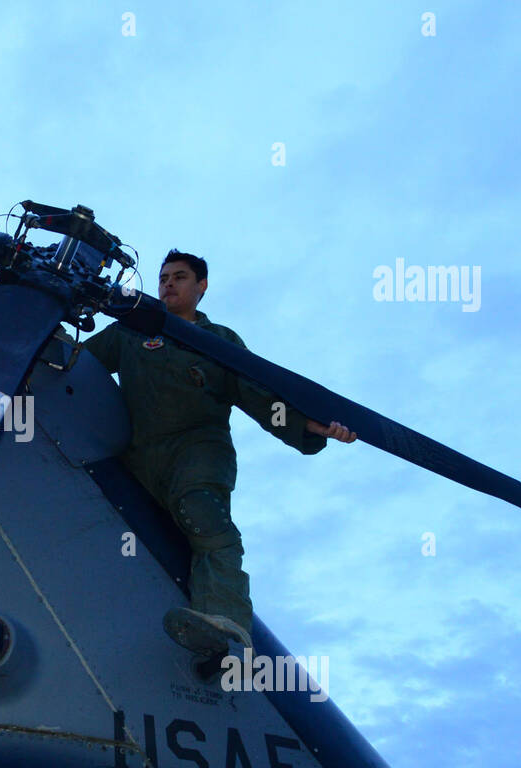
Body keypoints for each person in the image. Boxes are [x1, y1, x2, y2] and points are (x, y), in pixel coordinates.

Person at [82, 250, 356, 670]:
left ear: (201, 287)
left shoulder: (219, 341)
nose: (168, 284)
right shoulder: (131, 332)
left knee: (202, 517)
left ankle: (222, 621)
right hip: (136, 454)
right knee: (125, 532)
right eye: (163, 277)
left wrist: (310, 425)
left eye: (179, 277)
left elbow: (258, 393)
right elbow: (80, 365)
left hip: (198, 449)